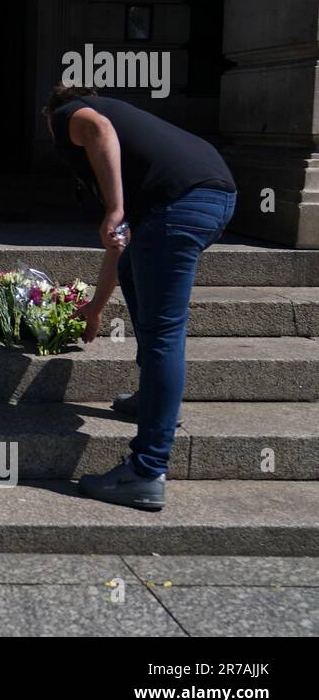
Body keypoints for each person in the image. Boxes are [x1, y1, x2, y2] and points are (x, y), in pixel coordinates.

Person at [44, 83, 236, 511]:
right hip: (216, 198)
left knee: (165, 333)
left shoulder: (70, 113)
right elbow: (120, 246)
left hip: (180, 206)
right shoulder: (134, 138)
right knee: (135, 270)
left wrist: (113, 207)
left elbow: (98, 130)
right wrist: (95, 306)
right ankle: (153, 400)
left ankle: (146, 471)